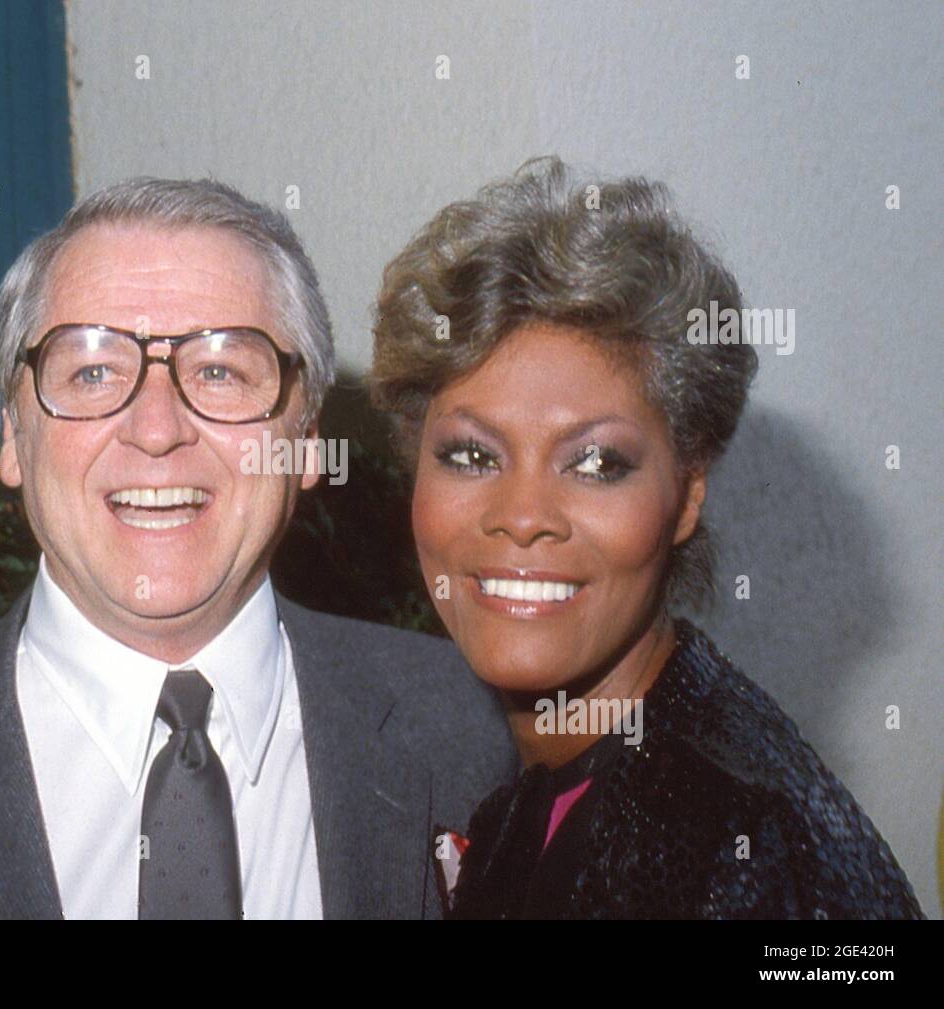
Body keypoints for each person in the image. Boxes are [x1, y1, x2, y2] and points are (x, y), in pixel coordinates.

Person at [0, 177, 514, 920]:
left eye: (222, 371)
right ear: (10, 438)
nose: (155, 429)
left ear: (306, 441)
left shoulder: (484, 733)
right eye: (92, 371)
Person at [370, 157, 923, 919]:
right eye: (471, 455)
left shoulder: (743, 839)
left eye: (596, 462)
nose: (524, 514)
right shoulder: (530, 795)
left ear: (688, 492)